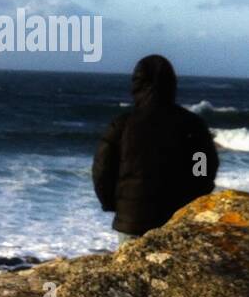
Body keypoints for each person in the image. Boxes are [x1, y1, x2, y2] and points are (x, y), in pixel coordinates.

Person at [93, 54, 219, 243]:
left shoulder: (122, 125)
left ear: (137, 84)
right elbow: (202, 165)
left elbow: (102, 169)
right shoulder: (192, 124)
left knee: (132, 262)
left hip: (132, 219)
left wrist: (112, 203)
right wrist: (196, 196)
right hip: (177, 218)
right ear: (171, 84)